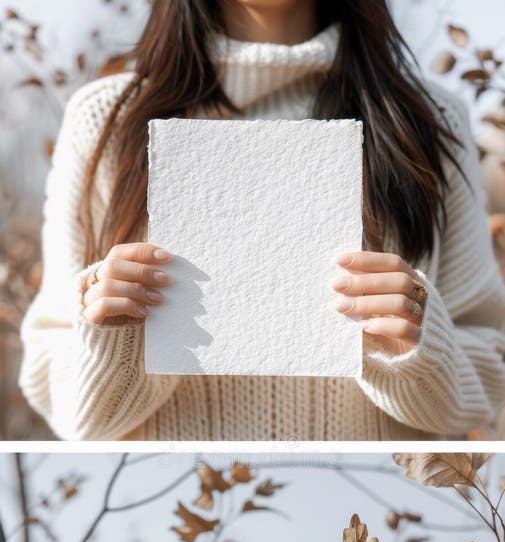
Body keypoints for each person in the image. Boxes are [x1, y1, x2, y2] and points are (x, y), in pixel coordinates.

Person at [19, 0, 505, 440]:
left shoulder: (427, 118)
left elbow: (488, 376)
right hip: (172, 497)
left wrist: (417, 346)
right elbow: (69, 407)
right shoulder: (107, 120)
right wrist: (113, 341)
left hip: (380, 500)